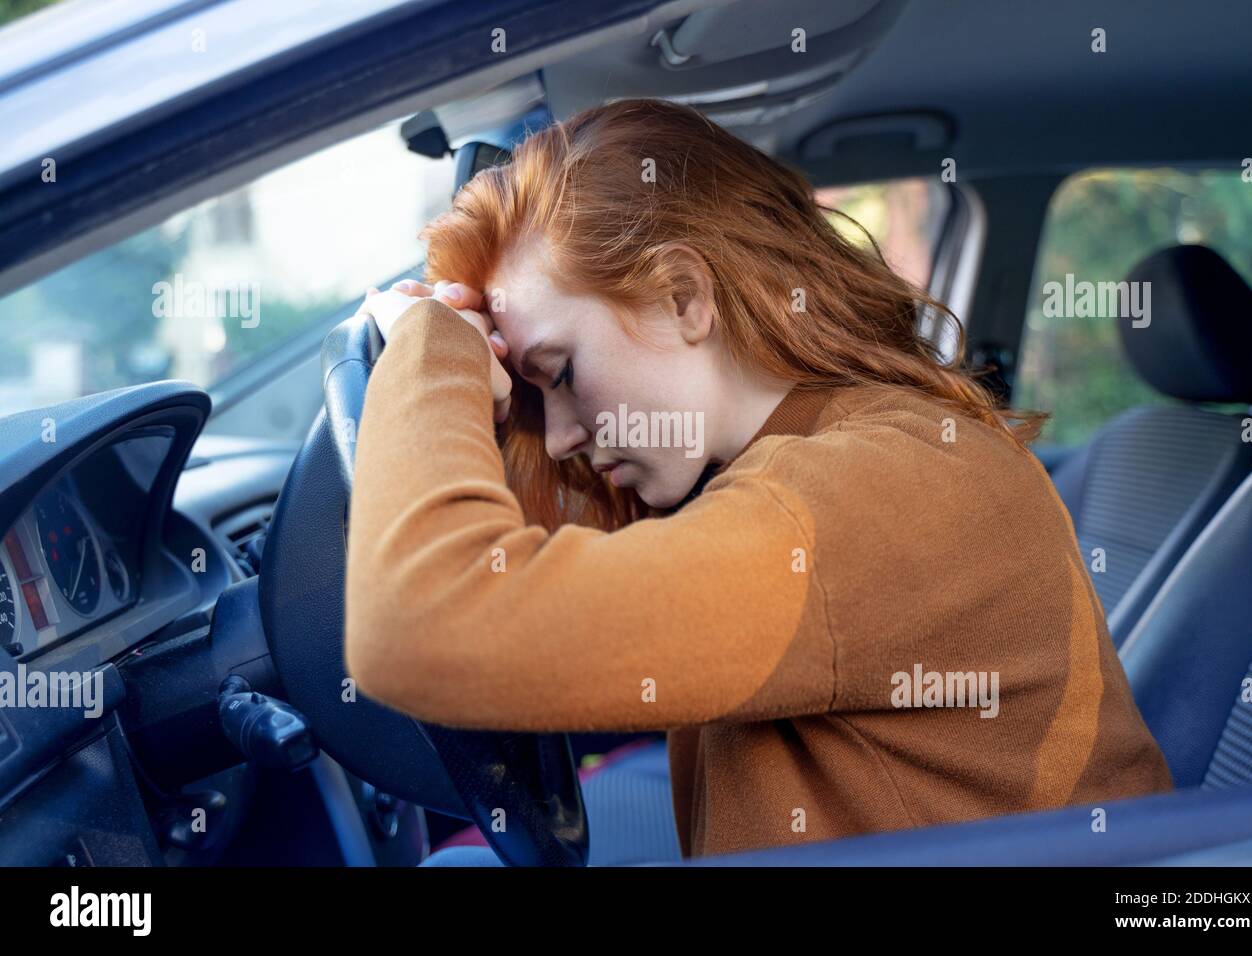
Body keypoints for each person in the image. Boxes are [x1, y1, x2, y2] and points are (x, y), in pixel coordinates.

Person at [345, 98, 1174, 866]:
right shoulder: (778, 456)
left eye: (559, 372)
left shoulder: (868, 488)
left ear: (683, 297)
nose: (559, 435)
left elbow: (421, 623)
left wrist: (434, 353)